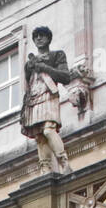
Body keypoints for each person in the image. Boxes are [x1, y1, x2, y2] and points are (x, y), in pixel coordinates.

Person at [20, 26, 81, 175]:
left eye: (42, 35)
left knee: (48, 130)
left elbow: (65, 76)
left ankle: (63, 161)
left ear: (48, 38)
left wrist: (45, 68)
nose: (39, 38)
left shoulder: (57, 55)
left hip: (49, 94)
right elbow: (29, 82)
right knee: (39, 136)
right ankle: (45, 168)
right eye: (36, 37)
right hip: (33, 98)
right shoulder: (29, 64)